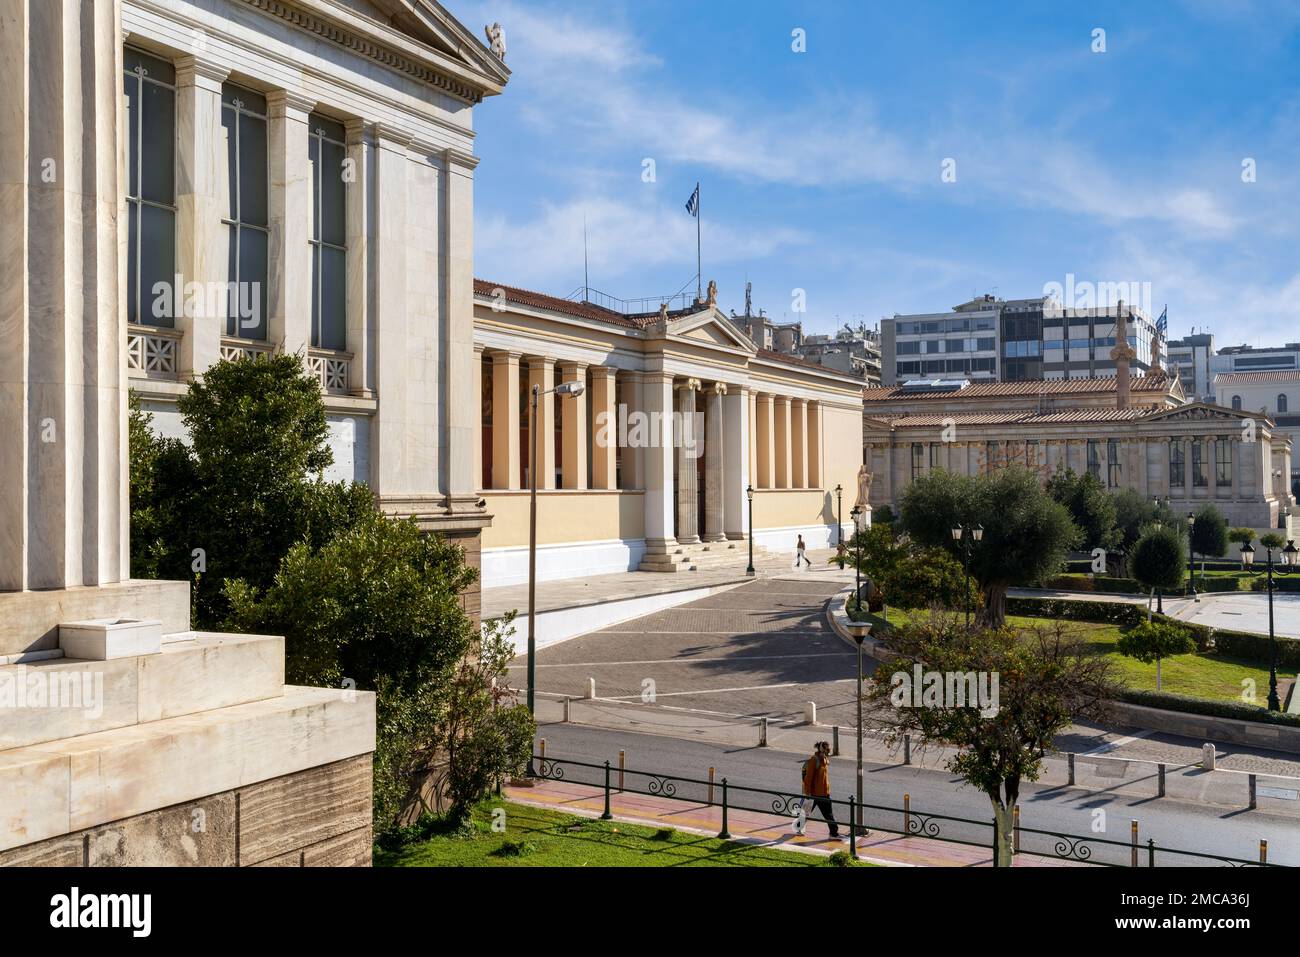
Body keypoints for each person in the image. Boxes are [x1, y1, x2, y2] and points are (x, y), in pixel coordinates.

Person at [800, 740, 840, 841]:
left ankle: (833, 832)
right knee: (823, 814)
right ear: (822, 749)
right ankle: (834, 833)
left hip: (824, 792)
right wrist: (808, 792)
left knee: (825, 813)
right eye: (827, 749)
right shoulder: (814, 760)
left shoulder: (825, 760)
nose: (828, 751)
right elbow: (808, 778)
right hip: (814, 793)